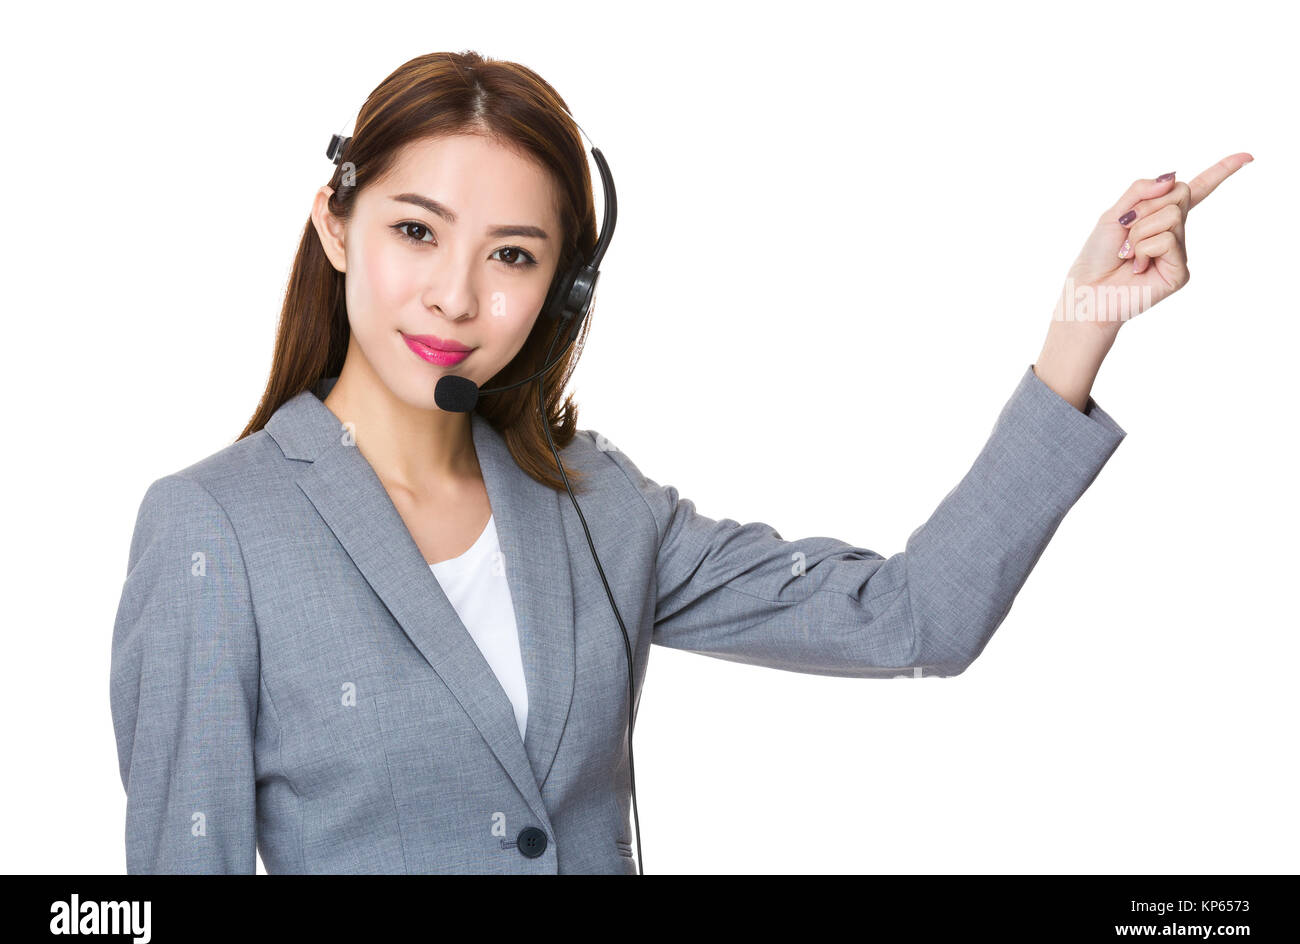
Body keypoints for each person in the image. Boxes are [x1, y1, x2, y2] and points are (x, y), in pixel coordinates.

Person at [108, 49, 1252, 874]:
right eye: (416, 230)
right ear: (335, 225)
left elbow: (911, 618)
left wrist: (1083, 321)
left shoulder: (596, 504)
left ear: (562, 288)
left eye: (510, 253)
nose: (456, 295)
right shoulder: (213, 529)